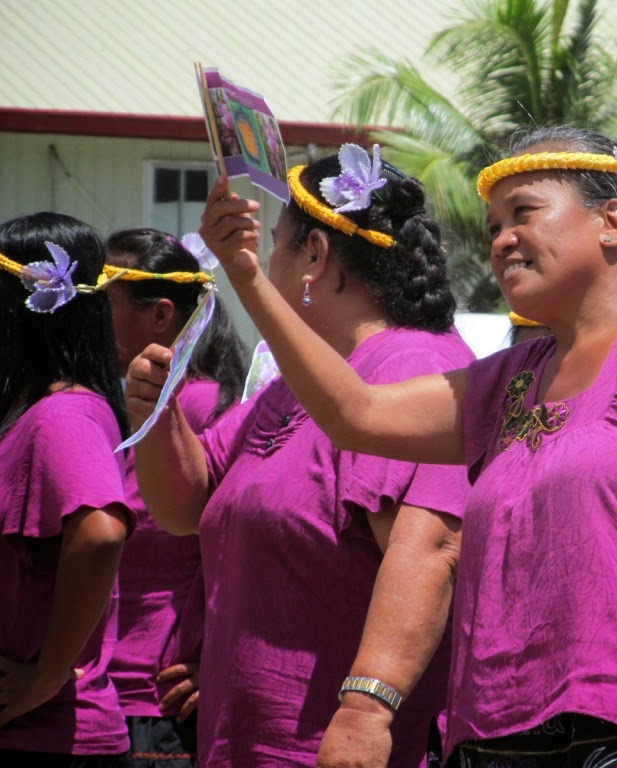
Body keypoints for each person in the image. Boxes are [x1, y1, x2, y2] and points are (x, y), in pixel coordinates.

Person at [197, 126, 617, 768]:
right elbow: (356, 413)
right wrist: (248, 275)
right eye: (495, 226)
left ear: (612, 221)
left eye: (523, 214)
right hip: (497, 731)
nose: (501, 241)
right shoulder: (510, 377)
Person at [125, 147, 474, 768]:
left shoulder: (414, 366)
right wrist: (159, 413)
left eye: (277, 246)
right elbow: (186, 505)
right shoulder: (301, 379)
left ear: (314, 255)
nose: (267, 261)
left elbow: (430, 553)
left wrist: (367, 709)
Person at [0, 213, 134, 765]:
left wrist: (47, 677)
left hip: (44, 739)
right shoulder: (24, 408)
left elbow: (100, 533)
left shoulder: (63, 416)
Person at [104, 229, 249, 767]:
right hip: (100, 696)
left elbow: (246, 547)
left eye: (105, 299)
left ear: (161, 315)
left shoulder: (214, 411)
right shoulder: (118, 405)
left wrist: (218, 652)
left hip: (159, 706)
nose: (90, 315)